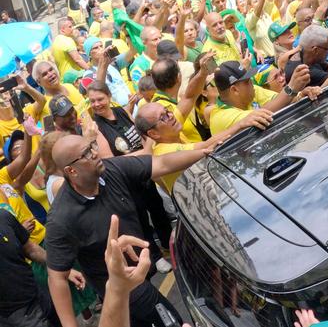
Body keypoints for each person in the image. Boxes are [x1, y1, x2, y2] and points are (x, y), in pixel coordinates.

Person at [44, 134, 217, 327]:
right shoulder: (61, 218)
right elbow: (57, 277)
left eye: (92, 145)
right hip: (124, 290)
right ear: (71, 171)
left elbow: (161, 164)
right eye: (86, 153)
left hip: (143, 269)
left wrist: (203, 153)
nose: (95, 153)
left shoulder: (111, 169)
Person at [135, 102, 272, 193]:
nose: (171, 116)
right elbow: (207, 147)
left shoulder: (174, 134)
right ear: (153, 133)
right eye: (163, 117)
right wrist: (241, 124)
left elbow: (189, 97)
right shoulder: (164, 151)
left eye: (168, 111)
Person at [209, 61, 313, 135]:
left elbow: (279, 101)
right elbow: (262, 115)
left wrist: (301, 95)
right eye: (247, 82)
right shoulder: (220, 118)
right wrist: (291, 89)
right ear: (234, 90)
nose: (252, 84)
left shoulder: (252, 91)